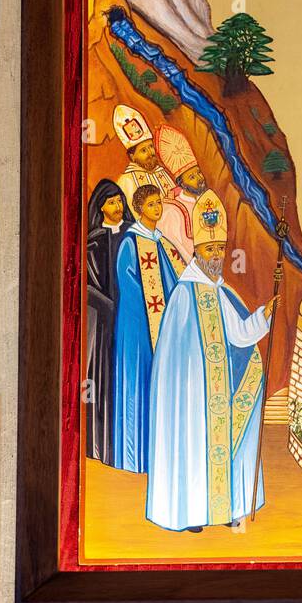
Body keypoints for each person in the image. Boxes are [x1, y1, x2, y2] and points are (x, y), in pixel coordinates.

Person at [146, 189, 277, 533]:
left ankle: (227, 508)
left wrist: (265, 314)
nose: (217, 256)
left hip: (216, 395)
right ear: (197, 251)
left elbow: (239, 335)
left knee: (224, 449)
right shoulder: (184, 295)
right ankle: (191, 513)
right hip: (191, 399)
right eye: (210, 250)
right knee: (193, 448)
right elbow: (175, 358)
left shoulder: (222, 290)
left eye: (220, 249)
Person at [111, 184, 184, 474]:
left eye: (159, 203)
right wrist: (154, 313)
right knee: (140, 380)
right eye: (152, 204)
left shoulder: (162, 242)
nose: (157, 209)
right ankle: (136, 456)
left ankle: (160, 454)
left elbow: (177, 276)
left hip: (162, 323)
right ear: (140, 208)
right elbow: (128, 285)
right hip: (139, 325)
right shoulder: (131, 242)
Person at [85, 179, 133, 465]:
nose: (117, 206)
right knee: (104, 382)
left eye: (119, 200)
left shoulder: (133, 235)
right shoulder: (94, 241)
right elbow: (90, 287)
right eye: (111, 201)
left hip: (131, 323)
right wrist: (111, 307)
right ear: (100, 206)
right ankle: (105, 448)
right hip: (105, 325)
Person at [153, 123, 207, 261]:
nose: (199, 179)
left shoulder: (208, 200)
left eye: (198, 173)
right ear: (181, 184)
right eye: (192, 177)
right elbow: (174, 252)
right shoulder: (171, 212)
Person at [113, 104, 174, 215]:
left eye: (151, 147)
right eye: (143, 151)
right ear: (132, 157)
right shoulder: (126, 181)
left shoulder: (162, 172)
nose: (151, 153)